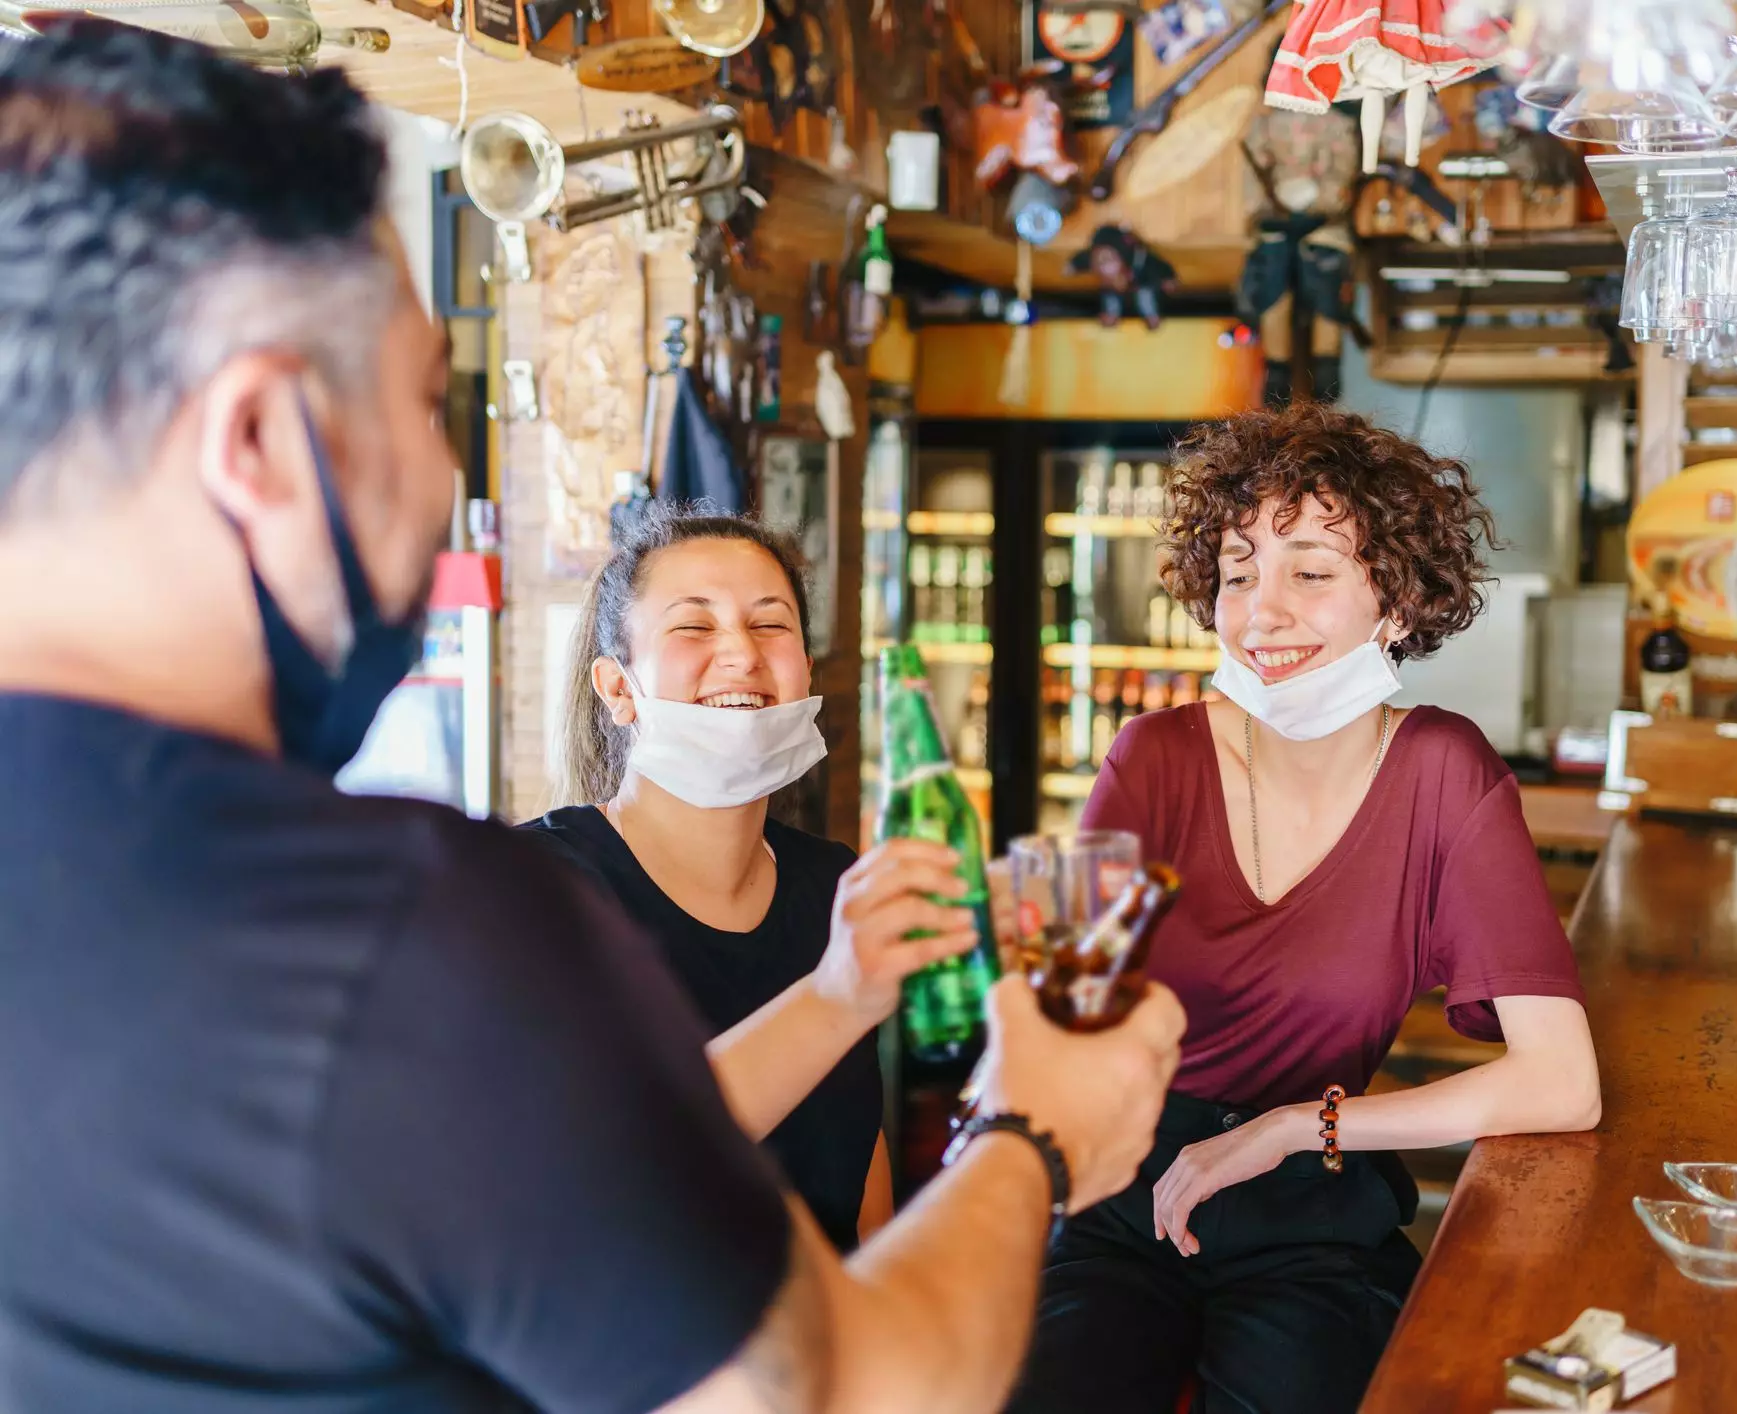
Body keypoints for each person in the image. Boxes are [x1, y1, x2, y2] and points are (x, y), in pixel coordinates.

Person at [0, 25, 1184, 1414]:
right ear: (255, 443)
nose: (443, 470)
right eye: (419, 407)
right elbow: (853, 1386)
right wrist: (1036, 1127)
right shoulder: (409, 933)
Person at [1006, 403, 1602, 1414]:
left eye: (1310, 572)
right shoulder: (1149, 758)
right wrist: (1030, 955)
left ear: (1396, 603)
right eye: (1238, 574)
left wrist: (1290, 1127)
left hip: (1313, 1203)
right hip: (1118, 1191)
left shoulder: (1444, 772)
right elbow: (1054, 1014)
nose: (1260, 612)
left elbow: (1563, 1084)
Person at [524, 507, 899, 1252]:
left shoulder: (835, 888)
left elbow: (864, 1175)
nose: (741, 654)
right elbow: (599, 1168)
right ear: (618, 688)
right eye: (694, 627)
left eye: (771, 626)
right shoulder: (539, 888)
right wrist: (837, 996)